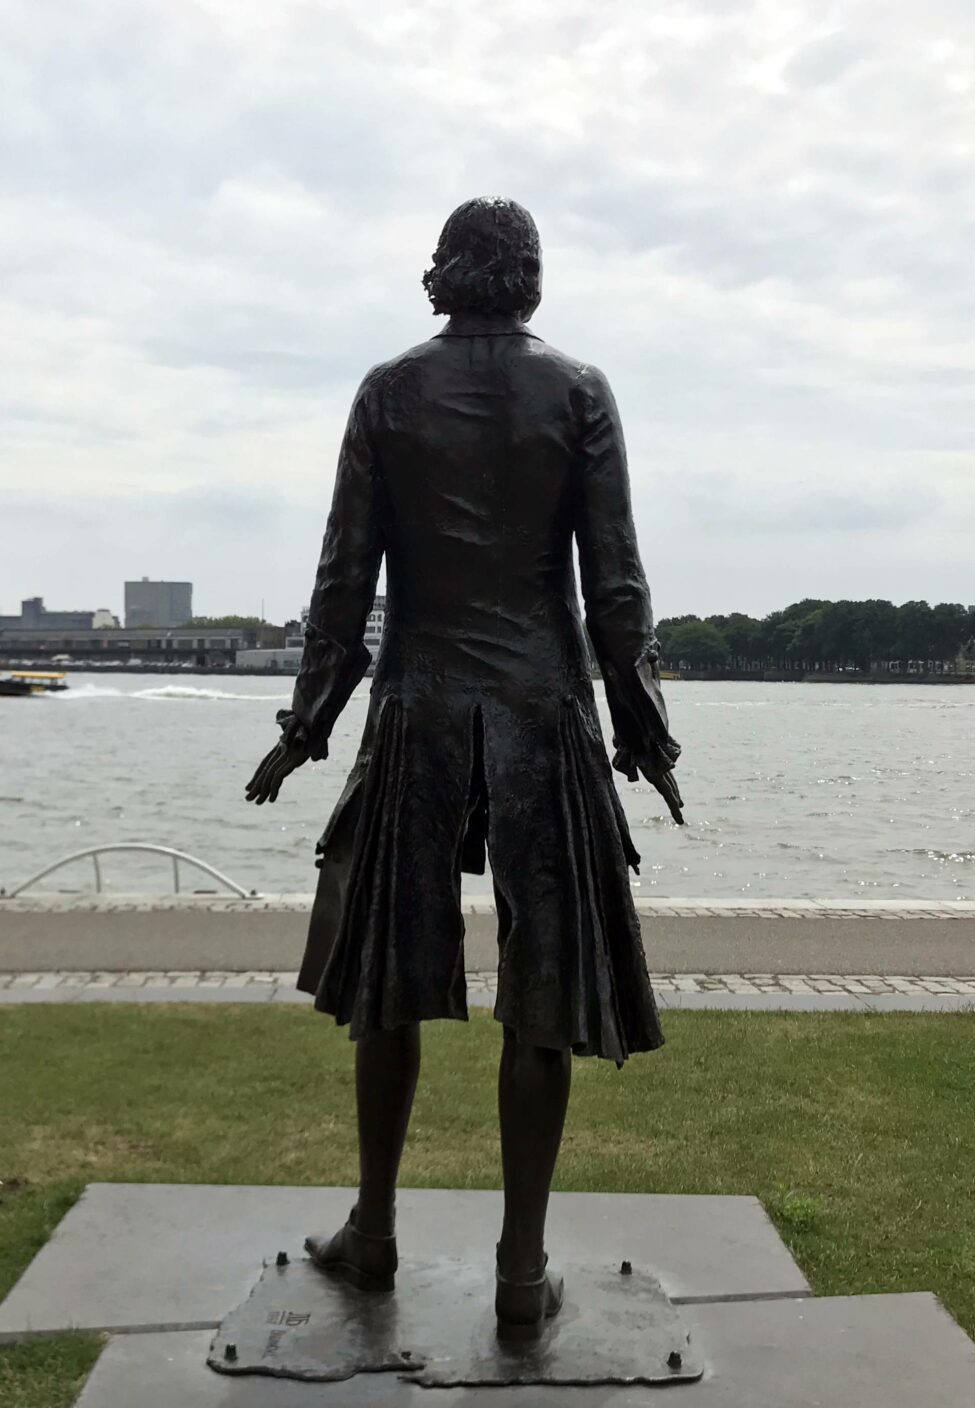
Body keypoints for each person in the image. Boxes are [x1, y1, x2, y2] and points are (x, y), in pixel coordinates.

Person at [244, 197, 684, 1330]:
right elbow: (617, 586)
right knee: (544, 988)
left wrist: (306, 722)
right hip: (544, 710)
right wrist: (642, 729)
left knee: (385, 973)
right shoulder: (579, 392)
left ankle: (376, 1232)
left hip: (419, 708)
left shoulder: (388, 393)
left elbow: (343, 579)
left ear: (447, 272)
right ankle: (520, 1271)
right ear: (531, 278)